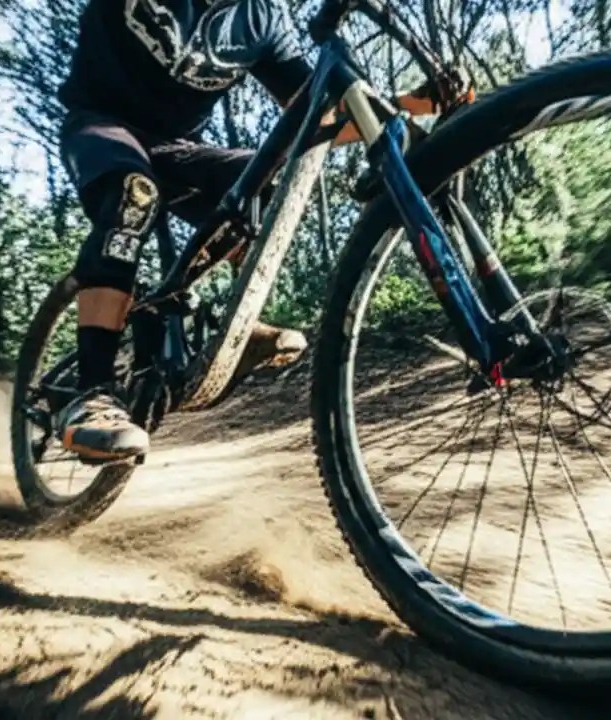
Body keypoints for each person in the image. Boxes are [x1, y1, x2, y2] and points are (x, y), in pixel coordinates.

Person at [55, 0, 440, 461]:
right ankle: (92, 393)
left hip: (178, 149)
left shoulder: (259, 19)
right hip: (99, 125)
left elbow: (320, 118)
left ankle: (236, 324)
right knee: (132, 195)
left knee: (262, 180)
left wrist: (410, 104)